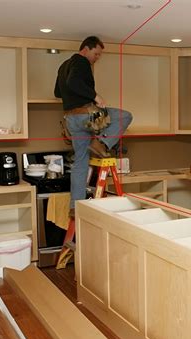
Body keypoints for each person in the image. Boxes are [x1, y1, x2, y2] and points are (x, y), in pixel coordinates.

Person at [54, 36, 132, 213]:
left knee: (80, 162)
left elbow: (58, 92)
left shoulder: (63, 66)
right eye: (96, 54)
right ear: (85, 49)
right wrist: (94, 96)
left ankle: (75, 206)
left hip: (71, 120)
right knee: (125, 116)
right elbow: (73, 83)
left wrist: (72, 96)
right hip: (86, 115)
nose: (97, 57)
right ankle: (101, 142)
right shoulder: (81, 62)